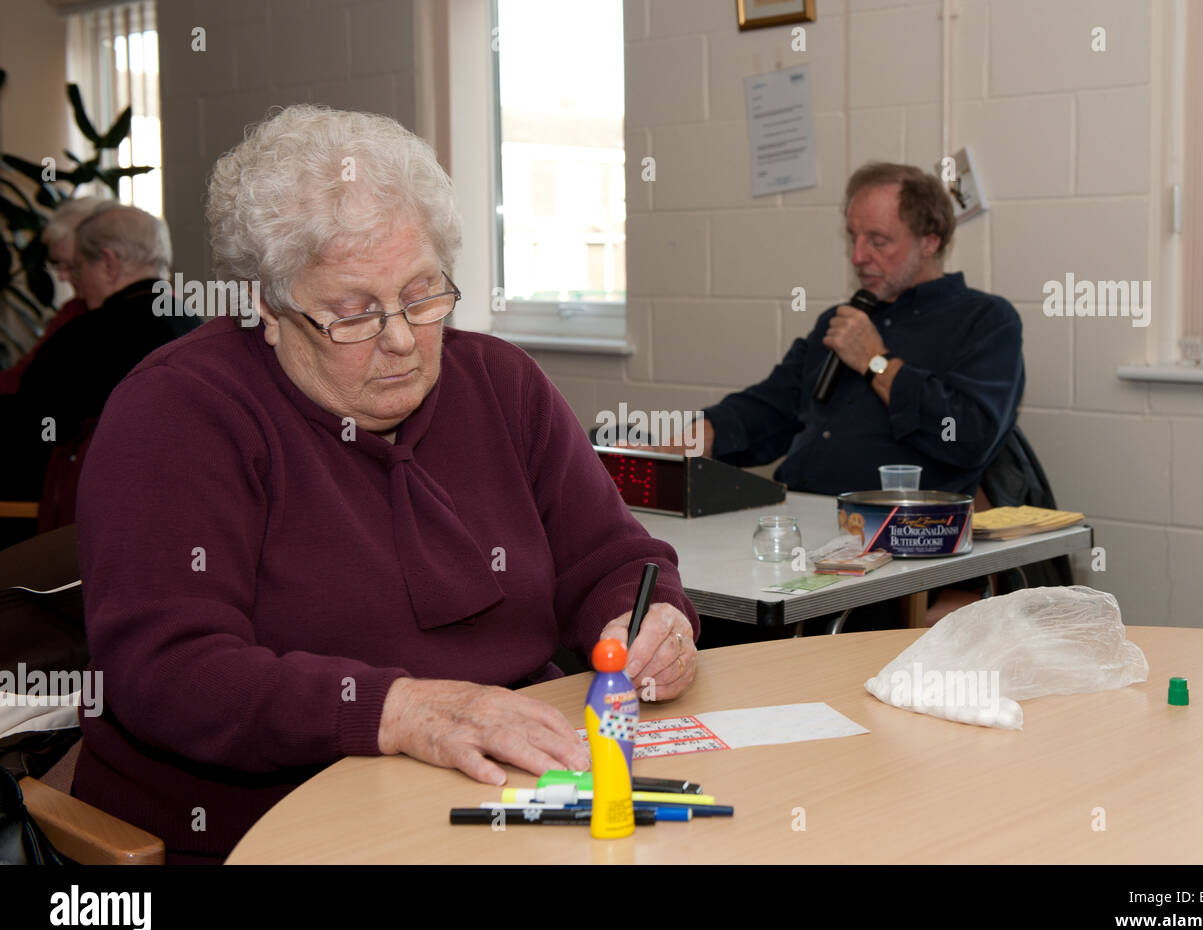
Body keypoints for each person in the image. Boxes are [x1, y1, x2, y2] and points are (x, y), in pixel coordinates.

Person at [72, 105, 701, 864]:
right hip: (262, 829)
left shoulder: (502, 385)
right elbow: (169, 671)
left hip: (498, 795)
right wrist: (399, 710)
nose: (403, 338)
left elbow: (609, 561)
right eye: (354, 312)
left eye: (424, 293)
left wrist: (654, 618)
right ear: (268, 308)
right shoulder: (178, 412)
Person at [685, 161, 1024, 499]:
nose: (858, 256)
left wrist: (876, 361)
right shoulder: (844, 318)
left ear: (929, 242)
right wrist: (704, 433)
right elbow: (775, 406)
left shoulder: (985, 320)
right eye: (853, 238)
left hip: (902, 530)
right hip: (799, 513)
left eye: (878, 241)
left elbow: (968, 436)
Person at [0, 201, 198, 532]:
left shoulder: (86, 336)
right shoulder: (197, 328)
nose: (75, 283)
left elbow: (23, 427)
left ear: (108, 263)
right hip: (182, 515)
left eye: (77, 269)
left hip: (89, 529)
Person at [0, 196, 104, 395]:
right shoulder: (73, 310)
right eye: (57, 265)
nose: (63, 277)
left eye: (71, 266)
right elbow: (21, 378)